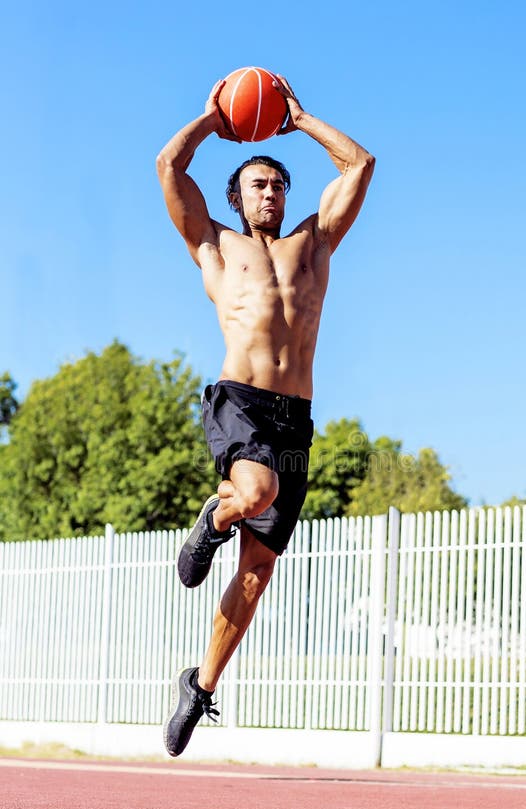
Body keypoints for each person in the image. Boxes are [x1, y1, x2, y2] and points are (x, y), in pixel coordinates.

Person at [156, 74, 374, 756]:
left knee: (256, 574)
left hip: (294, 416)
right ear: (237, 197)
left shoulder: (314, 245)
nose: (271, 193)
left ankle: (201, 685)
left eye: (278, 184)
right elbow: (169, 167)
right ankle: (213, 515)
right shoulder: (214, 247)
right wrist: (212, 119)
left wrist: (299, 119)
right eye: (257, 184)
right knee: (254, 493)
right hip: (239, 401)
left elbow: (358, 164)